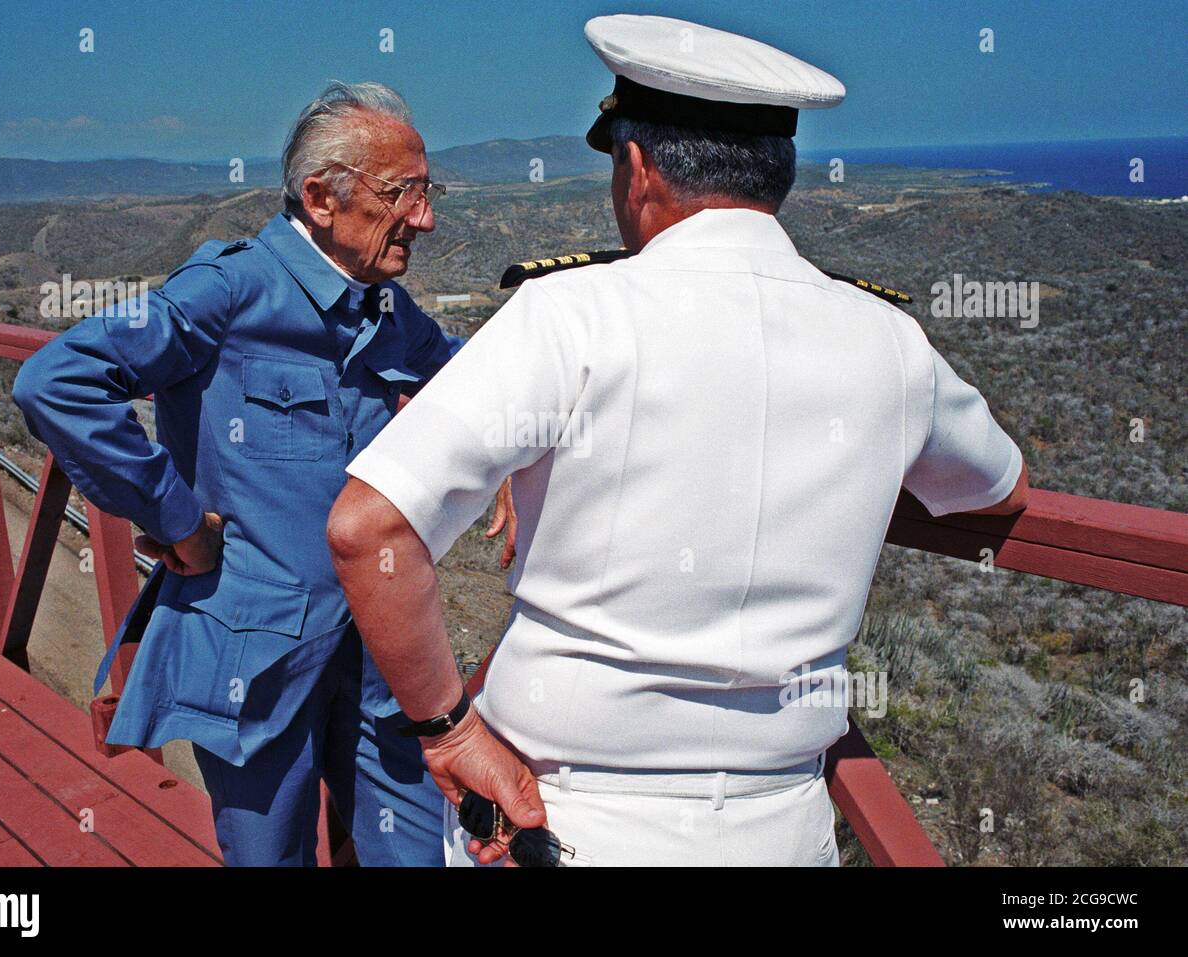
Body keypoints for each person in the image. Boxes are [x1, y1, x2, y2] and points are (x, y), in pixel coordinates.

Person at [326, 15, 1030, 867]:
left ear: (635, 167)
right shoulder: (889, 341)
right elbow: (998, 487)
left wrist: (446, 732)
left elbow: (371, 528)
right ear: (781, 175)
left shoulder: (570, 315)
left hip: (562, 819)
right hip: (785, 822)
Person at [13, 82, 514, 866]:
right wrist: (175, 518)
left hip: (383, 653)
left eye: (429, 191)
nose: (427, 218)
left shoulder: (383, 305)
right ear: (321, 197)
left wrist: (512, 447)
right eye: (403, 195)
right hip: (257, 660)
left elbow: (465, 370)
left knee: (417, 855)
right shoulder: (229, 290)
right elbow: (57, 382)